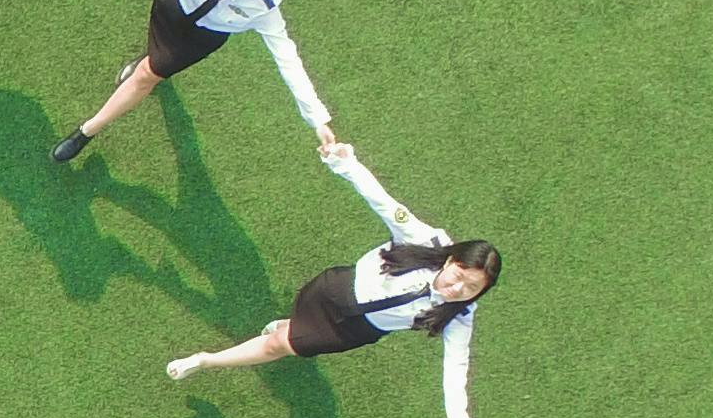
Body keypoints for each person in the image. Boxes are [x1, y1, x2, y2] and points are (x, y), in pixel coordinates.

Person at [165, 136, 497, 383]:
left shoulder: (460, 315)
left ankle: (205, 360)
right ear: (452, 259)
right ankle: (286, 326)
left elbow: (456, 374)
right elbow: (383, 202)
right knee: (286, 330)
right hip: (336, 288)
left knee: (278, 345)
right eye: (459, 276)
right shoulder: (426, 241)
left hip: (354, 329)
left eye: (471, 289)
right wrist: (346, 164)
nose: (458, 289)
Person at [47, 0, 330, 162]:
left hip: (200, 39)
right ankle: (146, 61)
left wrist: (317, 120)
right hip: (170, 6)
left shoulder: (265, 4)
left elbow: (288, 60)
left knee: (148, 74)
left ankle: (86, 131)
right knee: (149, 64)